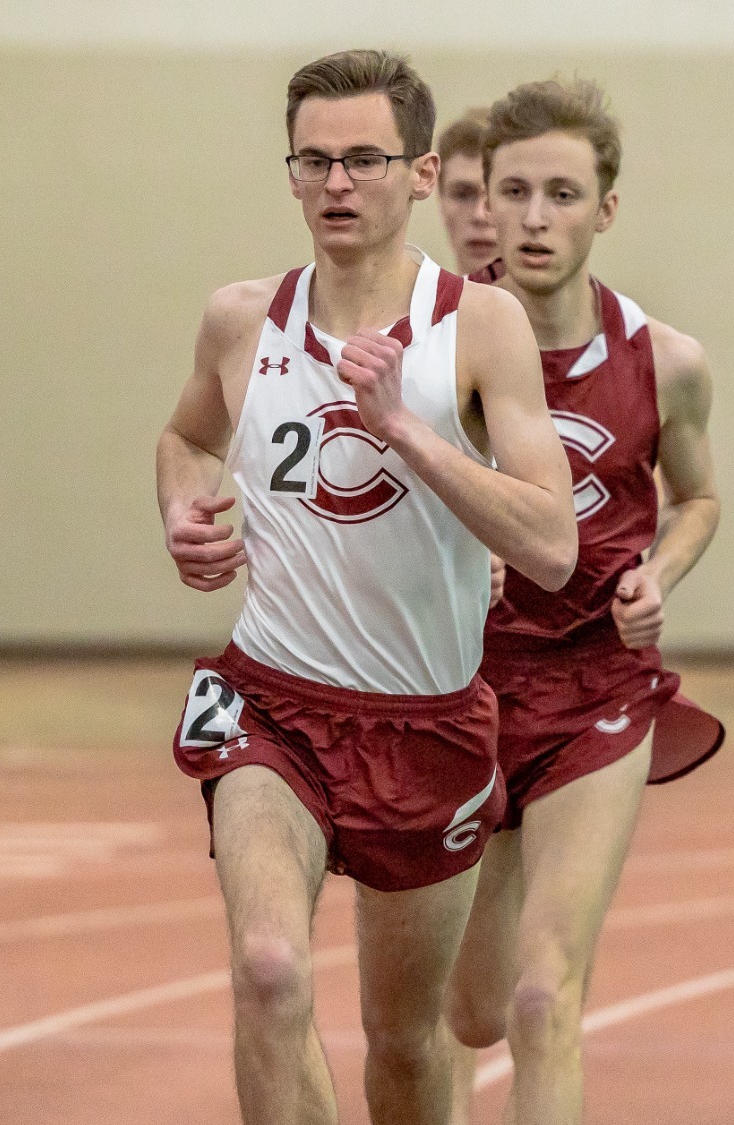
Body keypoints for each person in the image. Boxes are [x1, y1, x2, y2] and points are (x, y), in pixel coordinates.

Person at [154, 49, 578, 1125]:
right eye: (313, 161)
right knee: (267, 970)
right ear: (289, 173)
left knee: (403, 1041)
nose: (336, 184)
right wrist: (184, 511)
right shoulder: (240, 318)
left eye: (363, 161)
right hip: (273, 704)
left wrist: (407, 431)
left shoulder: (477, 327)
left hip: (425, 723)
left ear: (423, 175)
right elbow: (186, 437)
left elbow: (551, 546)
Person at [440, 79, 726, 1125]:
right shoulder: (439, 353)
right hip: (457, 690)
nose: (530, 216)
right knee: (467, 1009)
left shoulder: (667, 362)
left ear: (604, 207)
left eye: (561, 192)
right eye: (510, 191)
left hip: (595, 690)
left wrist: (659, 570)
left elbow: (696, 497)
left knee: (538, 994)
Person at [436, 108, 499, 276]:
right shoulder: (418, 301)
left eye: (496, 195)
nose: (480, 215)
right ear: (440, 199)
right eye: (463, 195)